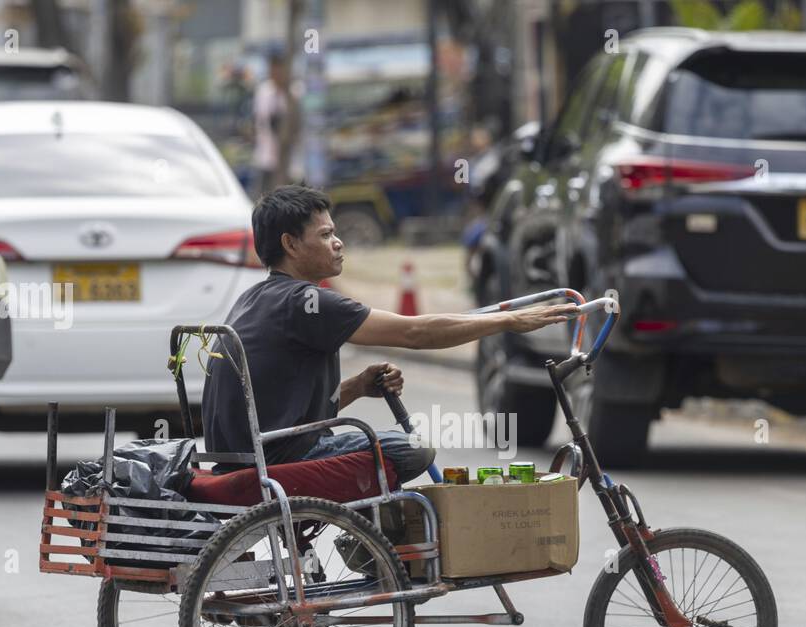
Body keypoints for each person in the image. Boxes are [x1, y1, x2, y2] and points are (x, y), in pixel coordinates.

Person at [200, 184, 580, 482]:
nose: (338, 242)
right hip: (276, 462)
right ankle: (373, 547)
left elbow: (288, 412)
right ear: (290, 244)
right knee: (411, 449)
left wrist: (358, 386)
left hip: (249, 457)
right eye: (326, 234)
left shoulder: (256, 298)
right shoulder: (306, 301)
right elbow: (416, 332)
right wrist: (509, 321)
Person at [252, 53, 288, 195]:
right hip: (265, 156)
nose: (276, 73)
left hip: (288, 160)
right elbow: (258, 120)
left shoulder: (294, 91)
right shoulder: (263, 91)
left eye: (279, 69)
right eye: (273, 69)